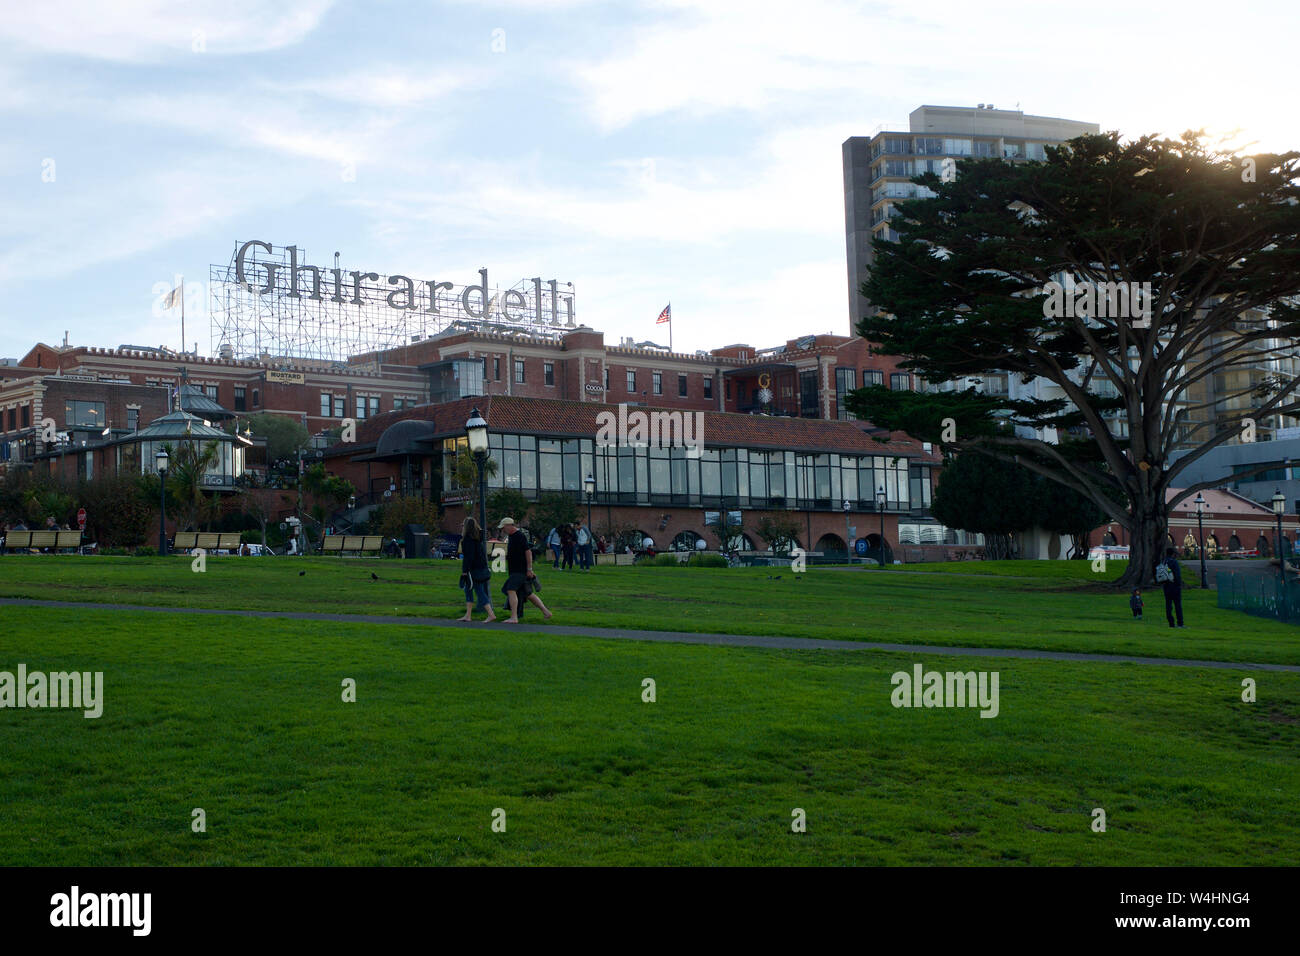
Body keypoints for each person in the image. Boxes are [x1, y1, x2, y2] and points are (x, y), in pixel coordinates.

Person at [498, 516, 551, 624]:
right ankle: (546, 612)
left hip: (520, 570)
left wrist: (529, 569)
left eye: (503, 527)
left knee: (510, 590)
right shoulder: (512, 536)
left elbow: (528, 552)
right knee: (528, 593)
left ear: (509, 525)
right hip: (515, 570)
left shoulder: (519, 536)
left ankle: (514, 617)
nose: (503, 530)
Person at [456, 517, 496, 622]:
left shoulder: (466, 540)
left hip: (473, 569)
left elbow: (469, 557)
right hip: (481, 567)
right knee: (471, 590)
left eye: (463, 525)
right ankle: (468, 615)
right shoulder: (478, 538)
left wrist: (465, 571)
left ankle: (490, 614)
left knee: (478, 591)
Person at [1157, 546, 1184, 628]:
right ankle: (1180, 623)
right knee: (1177, 605)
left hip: (1166, 585)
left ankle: (1171, 623)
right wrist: (1179, 584)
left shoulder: (1164, 561)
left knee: (1168, 605)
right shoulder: (1174, 562)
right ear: (1173, 554)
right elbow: (1177, 575)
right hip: (1175, 586)